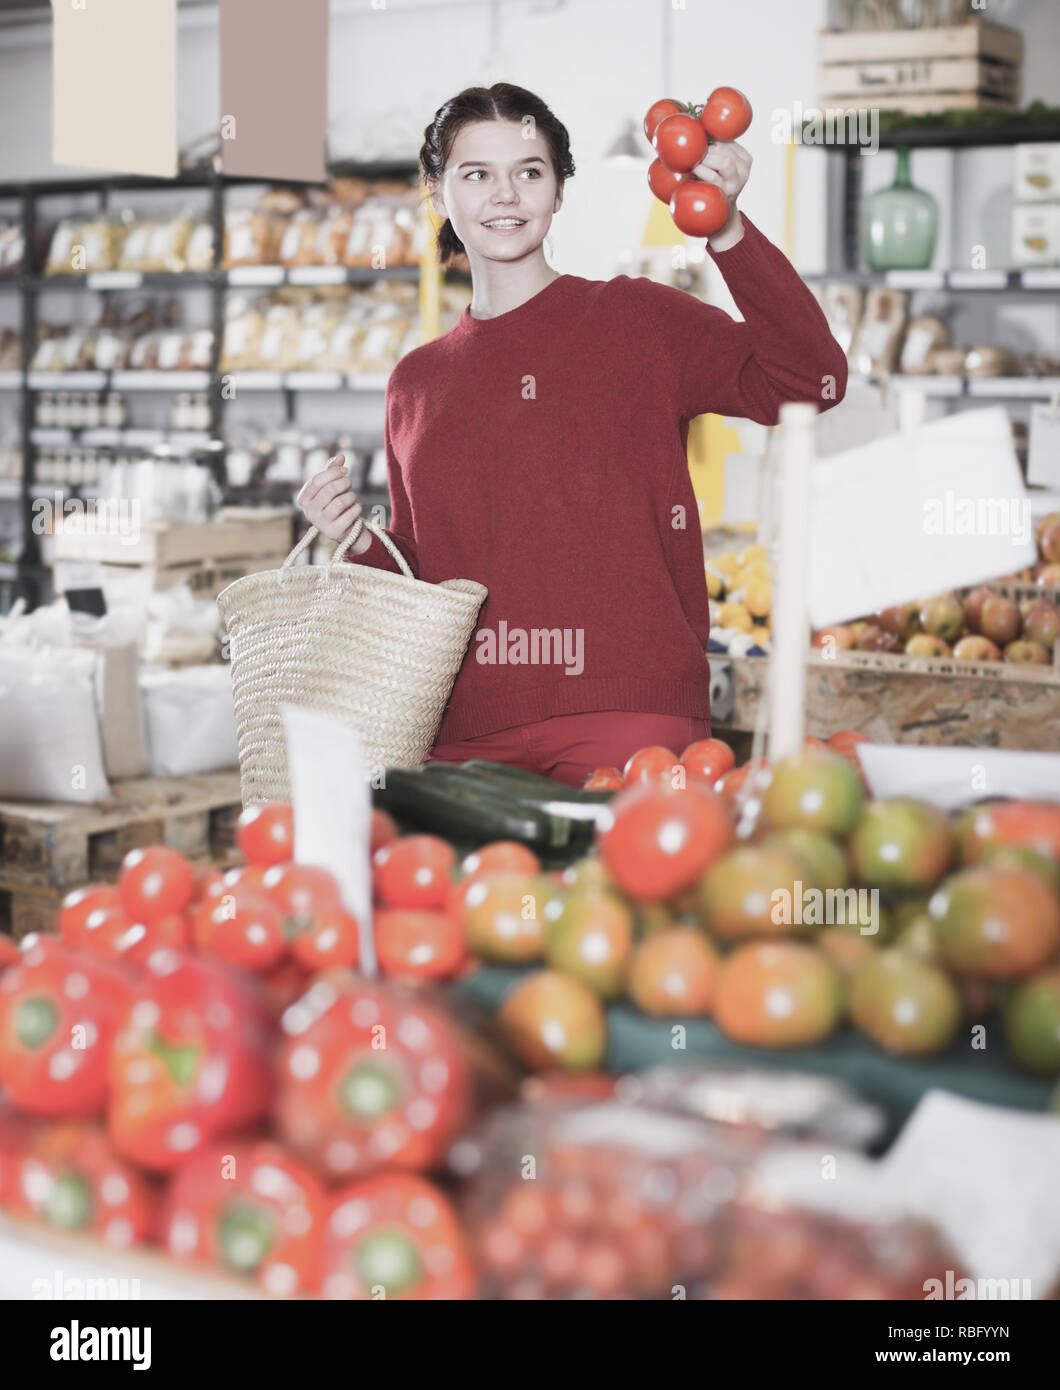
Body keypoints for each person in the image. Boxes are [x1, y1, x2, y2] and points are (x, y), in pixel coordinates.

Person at [297, 82, 847, 788]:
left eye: (529, 172)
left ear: (558, 192)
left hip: (631, 713)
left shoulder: (637, 319)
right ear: (438, 194)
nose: (506, 196)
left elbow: (810, 379)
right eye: (477, 175)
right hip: (467, 736)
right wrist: (353, 538)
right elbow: (422, 580)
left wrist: (727, 231)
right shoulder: (416, 381)